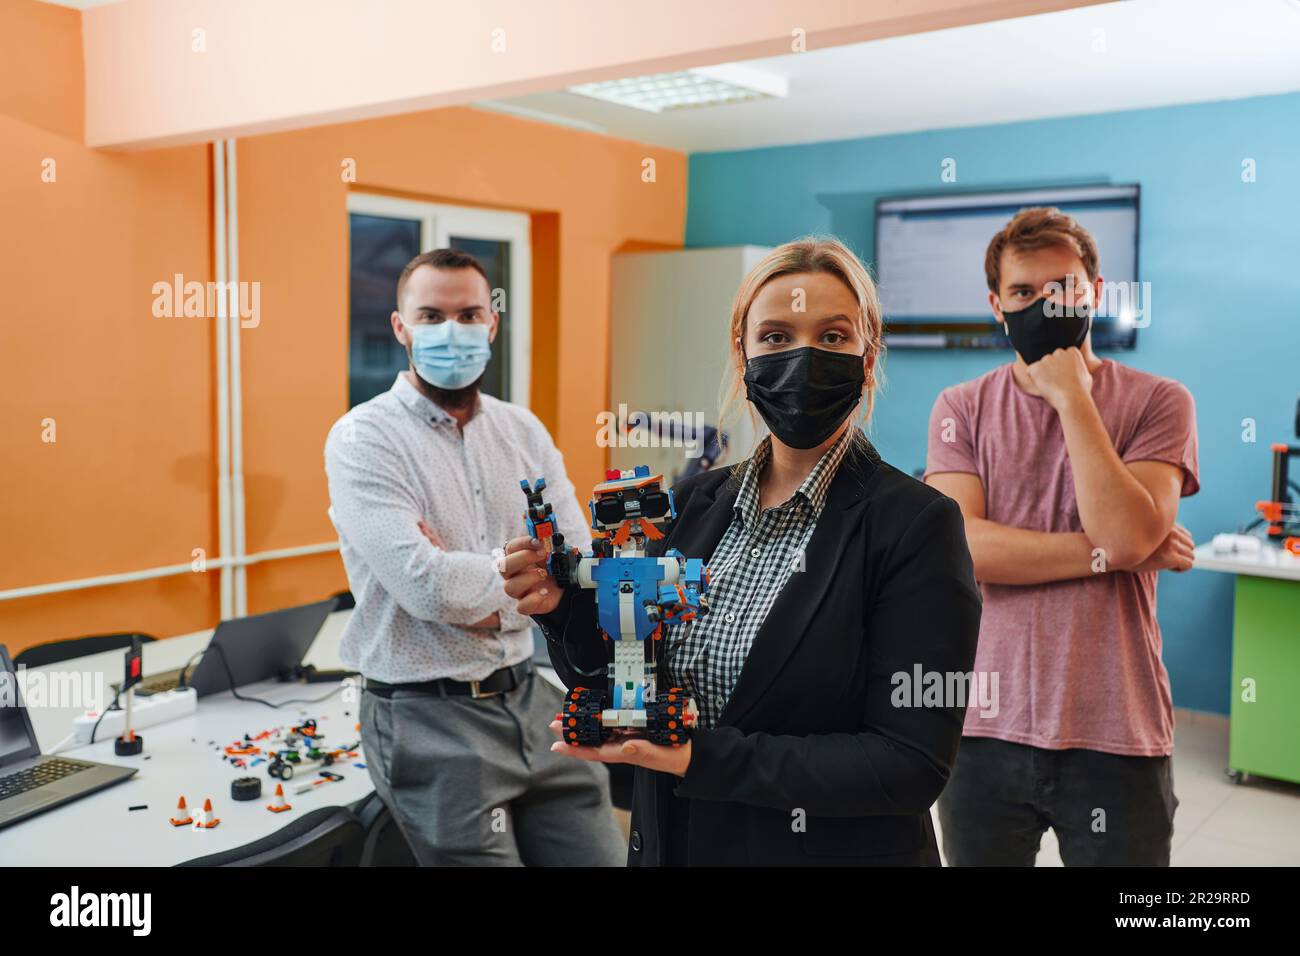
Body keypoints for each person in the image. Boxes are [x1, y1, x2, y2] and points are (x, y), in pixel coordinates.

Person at [499, 236, 982, 866]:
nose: (803, 357)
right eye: (776, 337)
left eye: (832, 337)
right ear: (743, 356)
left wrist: (702, 757)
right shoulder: (695, 502)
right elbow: (621, 668)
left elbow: (910, 763)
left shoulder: (917, 524)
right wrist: (562, 610)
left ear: (867, 361)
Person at [324, 248, 625, 866]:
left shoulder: (523, 430)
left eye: (467, 314)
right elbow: (428, 590)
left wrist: (483, 588)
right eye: (430, 315)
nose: (450, 331)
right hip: (425, 717)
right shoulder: (363, 437)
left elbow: (576, 566)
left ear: (491, 324)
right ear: (401, 328)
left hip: (532, 700)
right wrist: (527, 588)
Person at [925, 207, 1199, 866]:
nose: (1044, 304)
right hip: (984, 728)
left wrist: (1073, 397)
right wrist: (1115, 553)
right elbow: (963, 550)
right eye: (1024, 292)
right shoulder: (960, 407)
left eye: (1063, 288)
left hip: (1118, 731)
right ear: (997, 304)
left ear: (1095, 293)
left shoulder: (1161, 401)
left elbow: (1125, 531)